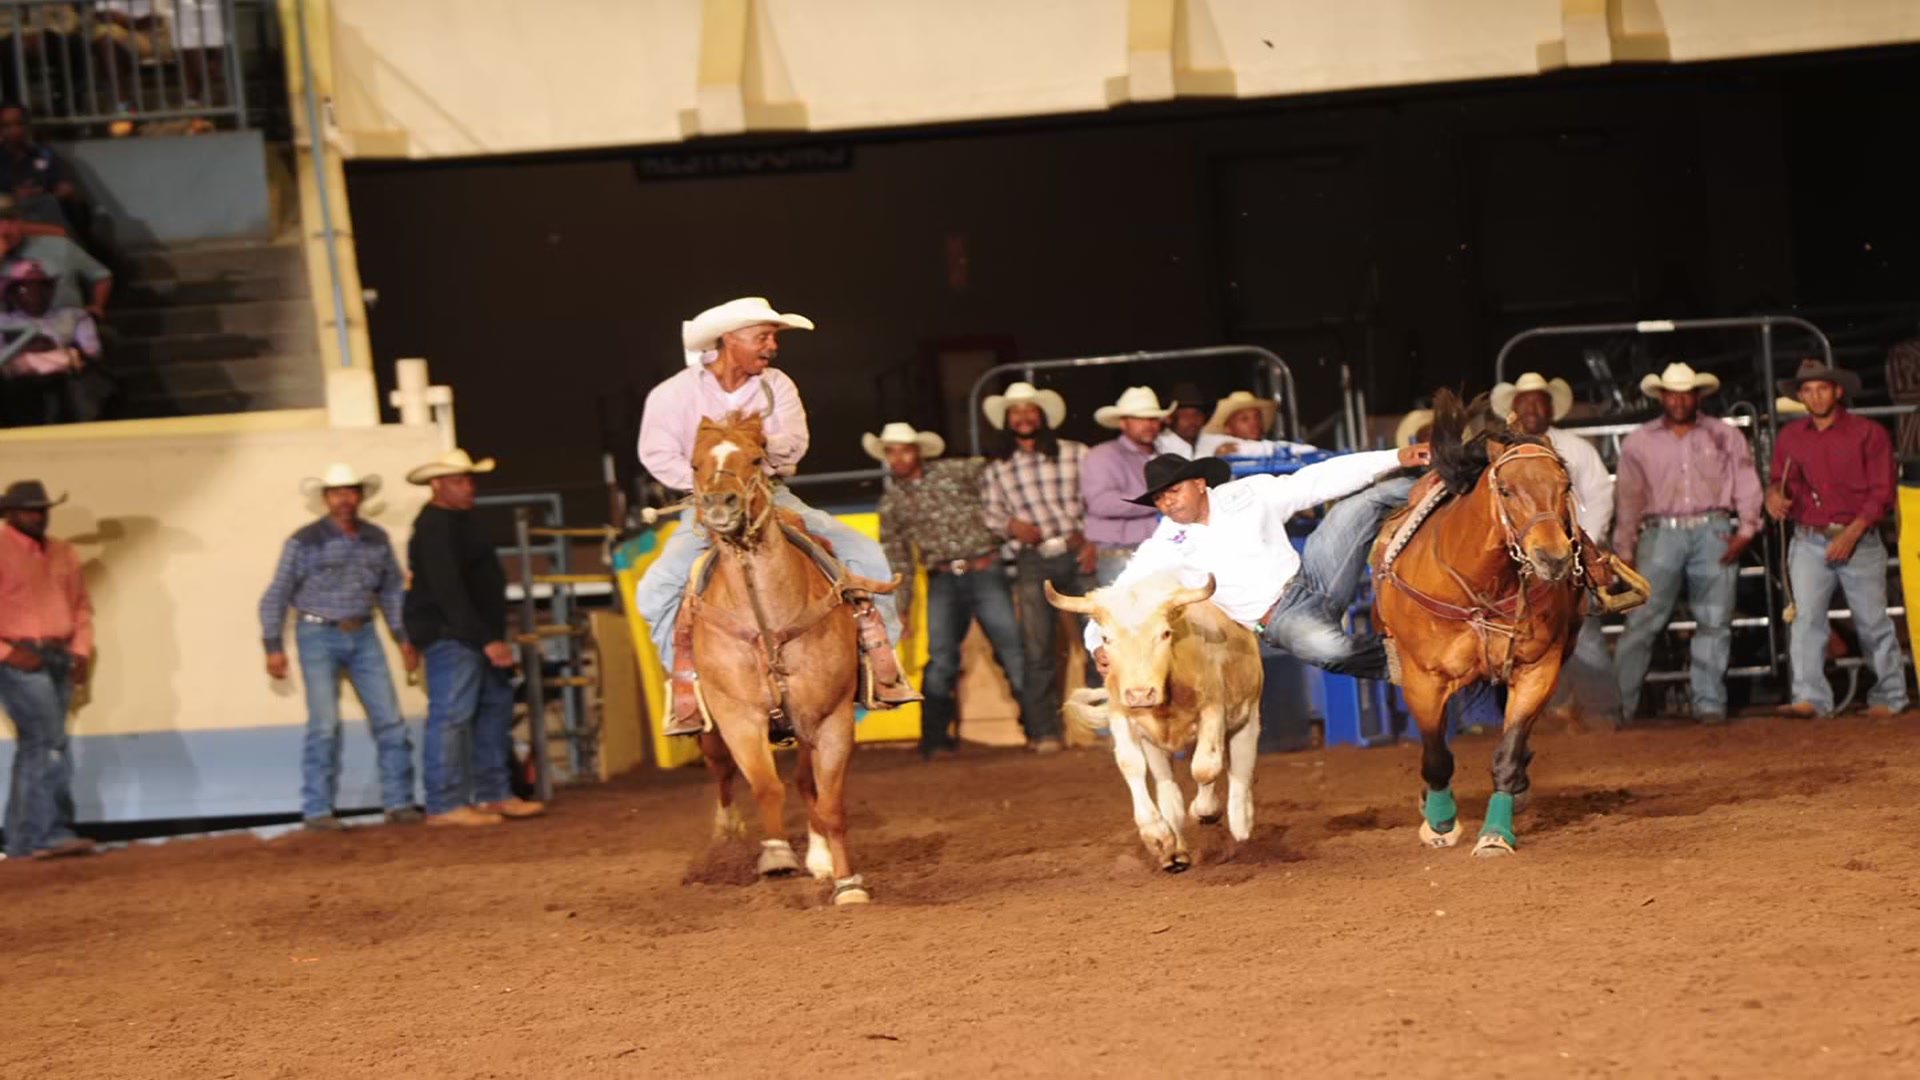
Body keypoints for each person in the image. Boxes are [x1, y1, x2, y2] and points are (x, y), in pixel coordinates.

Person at [635, 297, 918, 737]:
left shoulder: (777, 385)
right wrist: (713, 485)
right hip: (703, 503)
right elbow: (656, 453)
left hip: (770, 494)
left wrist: (754, 450)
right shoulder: (674, 393)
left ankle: (881, 664)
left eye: (772, 338)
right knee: (656, 589)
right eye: (763, 337)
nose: (772, 346)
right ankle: (687, 687)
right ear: (730, 340)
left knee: (864, 554)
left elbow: (795, 444)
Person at [1083, 447, 1430, 677]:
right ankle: (1419, 665)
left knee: (1362, 505)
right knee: (1329, 649)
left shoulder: (1245, 493)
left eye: (1173, 491)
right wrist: (1097, 640)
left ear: (1200, 484)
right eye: (1159, 499)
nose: (1167, 503)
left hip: (1314, 572)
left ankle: (1449, 480)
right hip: (1280, 618)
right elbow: (1120, 591)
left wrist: (1397, 455)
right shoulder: (1164, 544)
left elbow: (1315, 481)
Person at [259, 464, 421, 831]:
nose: (344, 499)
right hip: (317, 631)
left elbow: (392, 591)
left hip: (362, 630)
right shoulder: (304, 540)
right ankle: (317, 810)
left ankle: (399, 802)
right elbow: (278, 593)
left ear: (360, 496)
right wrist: (273, 645)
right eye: (337, 493)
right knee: (325, 724)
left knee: (390, 720)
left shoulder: (376, 539)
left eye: (350, 492)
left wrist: (403, 638)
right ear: (325, 499)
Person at [1612, 363, 1763, 725]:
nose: (1679, 400)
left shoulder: (1724, 435)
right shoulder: (1639, 442)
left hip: (1712, 528)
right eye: (1673, 393)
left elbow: (1745, 479)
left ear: (1697, 396)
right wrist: (1625, 549)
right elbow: (1629, 498)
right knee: (1642, 622)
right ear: (1662, 396)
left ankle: (1708, 703)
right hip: (1661, 531)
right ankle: (1617, 707)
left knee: (1714, 620)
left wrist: (1746, 529)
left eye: (1686, 393)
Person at [869, 422, 1031, 758]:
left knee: (1012, 650)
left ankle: (1040, 729)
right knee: (943, 658)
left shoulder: (956, 471)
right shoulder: (893, 502)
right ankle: (935, 740)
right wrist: (901, 605)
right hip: (942, 576)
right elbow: (898, 557)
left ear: (918, 451)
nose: (898, 458)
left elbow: (998, 475)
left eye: (904, 450)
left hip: (985, 566)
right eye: (892, 452)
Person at [403, 449, 545, 827]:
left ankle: (492, 793)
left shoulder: (456, 521)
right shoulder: (436, 526)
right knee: (454, 716)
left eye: (468, 479)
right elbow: (449, 590)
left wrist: (489, 636)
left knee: (489, 713)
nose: (469, 486)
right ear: (438, 485)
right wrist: (488, 639)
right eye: (460, 481)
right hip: (456, 635)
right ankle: (446, 802)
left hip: (472, 633)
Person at [1767, 359, 1906, 719]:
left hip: (1858, 538)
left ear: (1837, 391)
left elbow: (1882, 492)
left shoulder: (1868, 433)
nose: (1815, 396)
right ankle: (1811, 698)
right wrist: (1774, 497)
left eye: (1822, 388)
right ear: (1800, 396)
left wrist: (1851, 533)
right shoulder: (1790, 438)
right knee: (1806, 620)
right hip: (1810, 537)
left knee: (1871, 620)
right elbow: (1779, 481)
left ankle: (1890, 695)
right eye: (1809, 391)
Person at [1491, 372, 1618, 725]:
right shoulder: (1501, 453)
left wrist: (1578, 543)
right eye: (1525, 401)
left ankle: (1600, 712)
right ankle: (1548, 715)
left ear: (1550, 407)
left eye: (1539, 400)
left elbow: (1599, 497)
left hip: (1567, 556)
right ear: (1514, 408)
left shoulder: (1575, 448)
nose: (1532, 407)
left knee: (1581, 630)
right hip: (1518, 562)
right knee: (1526, 638)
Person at [980, 380, 1089, 753]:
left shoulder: (1077, 454)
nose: (1024, 417)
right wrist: (1012, 526)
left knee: (1100, 639)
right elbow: (992, 514)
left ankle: (1110, 724)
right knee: (1037, 646)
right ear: (1008, 421)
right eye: (1016, 412)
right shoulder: (999, 469)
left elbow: (1096, 499)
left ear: (1041, 416)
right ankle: (1045, 731)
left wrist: (1089, 539)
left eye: (1029, 410)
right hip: (1034, 557)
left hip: (1077, 550)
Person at [0, 479, 96, 860]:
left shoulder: (63, 552)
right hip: (20, 655)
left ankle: (36, 834)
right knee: (45, 739)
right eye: (29, 510)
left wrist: (81, 649)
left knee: (47, 742)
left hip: (58, 653)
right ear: (9, 514)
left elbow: (81, 605)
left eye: (42, 509)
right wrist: (6, 653)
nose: (38, 516)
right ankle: (38, 835)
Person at [0, 258, 104, 426]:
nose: (35, 294)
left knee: (83, 377)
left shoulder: (74, 316)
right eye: (25, 288)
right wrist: (26, 350)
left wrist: (53, 348)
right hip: (18, 375)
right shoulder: (3, 321)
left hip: (66, 372)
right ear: (12, 294)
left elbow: (92, 351)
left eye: (43, 287)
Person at [1084, 386, 1170, 588]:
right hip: (1121, 554)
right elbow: (1101, 503)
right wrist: (1159, 499)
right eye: (1140, 419)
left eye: (1153, 419)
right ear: (1123, 423)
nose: (1148, 424)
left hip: (1162, 550)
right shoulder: (1102, 455)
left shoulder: (1164, 454)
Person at [0, 194, 110, 318]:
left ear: (21, 222)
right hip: (8, 328)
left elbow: (101, 276)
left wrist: (97, 306)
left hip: (64, 325)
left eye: (11, 221)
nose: (5, 229)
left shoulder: (59, 245)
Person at [0, 103, 83, 232]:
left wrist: (55, 191)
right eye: (7, 126)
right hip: (13, 217)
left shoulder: (42, 154)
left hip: (44, 209)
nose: (15, 130)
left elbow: (63, 184)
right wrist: (15, 195)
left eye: (19, 124)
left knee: (60, 205)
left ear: (27, 126)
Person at [1197, 390, 1317, 458]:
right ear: (1228, 428)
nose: (1255, 423)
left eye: (1257, 417)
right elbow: (1260, 449)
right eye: (1244, 419)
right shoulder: (1215, 442)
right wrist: (1309, 450)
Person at [1154, 383, 1211, 459]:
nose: (1192, 420)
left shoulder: (1214, 442)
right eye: (1185, 415)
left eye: (1197, 414)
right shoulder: (1158, 446)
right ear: (1169, 418)